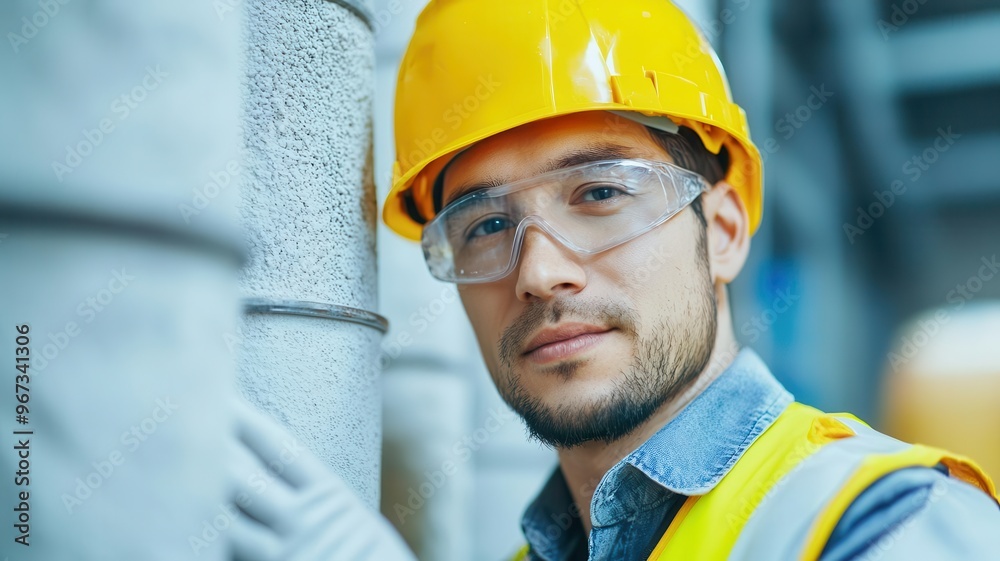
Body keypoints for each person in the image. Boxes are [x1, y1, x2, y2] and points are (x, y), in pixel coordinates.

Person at [375, 1, 1000, 559]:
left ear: (723, 232)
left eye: (599, 192)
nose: (538, 273)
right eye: (484, 227)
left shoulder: (889, 524)